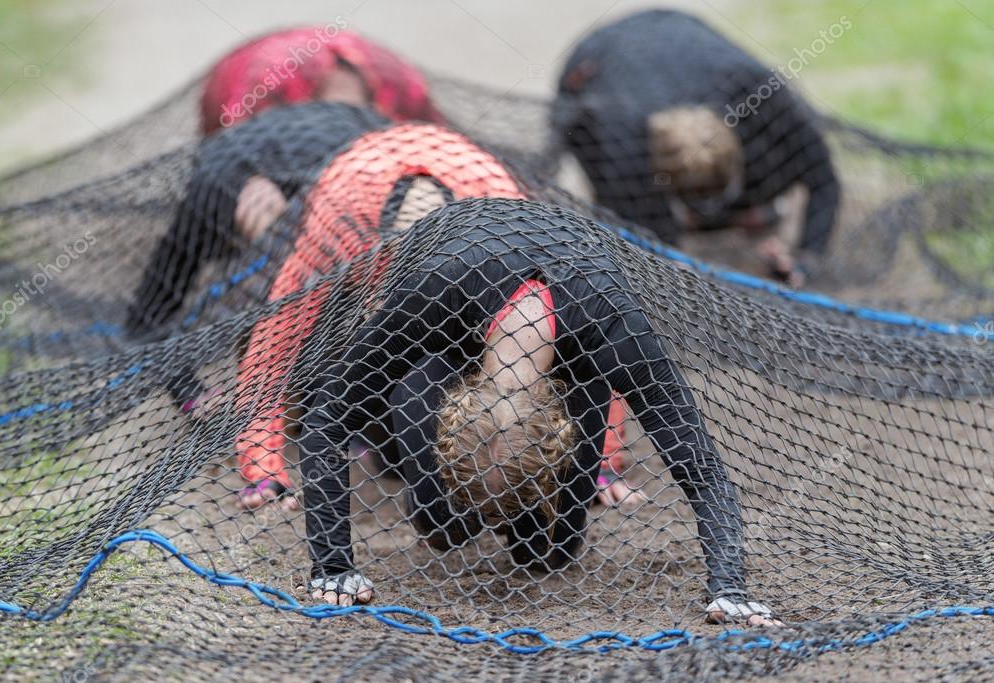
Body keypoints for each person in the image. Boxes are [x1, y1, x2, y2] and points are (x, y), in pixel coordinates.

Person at [294, 197, 777, 626]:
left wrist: (729, 589)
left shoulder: (616, 332)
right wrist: (333, 567)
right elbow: (327, 417)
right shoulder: (432, 294)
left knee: (549, 552)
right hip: (454, 310)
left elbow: (701, 468)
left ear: (559, 432)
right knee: (444, 524)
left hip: (575, 330)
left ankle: (522, 512)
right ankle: (441, 497)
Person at [229, 123, 636, 511]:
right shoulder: (338, 231)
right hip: (363, 192)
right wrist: (263, 470)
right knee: (386, 446)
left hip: (471, 211)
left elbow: (593, 331)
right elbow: (274, 345)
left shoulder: (508, 230)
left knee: (519, 355)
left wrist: (601, 463)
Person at [554, 9, 841, 286]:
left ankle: (736, 213)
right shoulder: (621, 146)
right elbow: (638, 224)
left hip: (680, 33)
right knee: (629, 224)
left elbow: (824, 180)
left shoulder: (762, 94)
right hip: (596, 59)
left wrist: (805, 259)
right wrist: (670, 258)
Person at [126, 102, 389, 338]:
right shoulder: (374, 138)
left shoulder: (357, 126)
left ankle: (142, 327)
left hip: (242, 157)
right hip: (244, 171)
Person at [200, 27, 443, 135]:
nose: (336, 121)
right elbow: (228, 137)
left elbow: (431, 139)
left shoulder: (403, 90)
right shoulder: (267, 81)